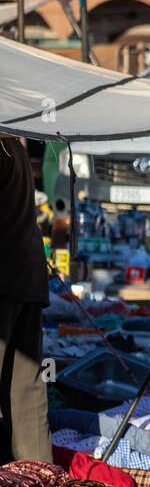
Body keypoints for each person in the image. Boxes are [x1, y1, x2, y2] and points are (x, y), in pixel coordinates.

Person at [0, 135, 52, 464]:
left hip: (8, 278)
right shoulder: (12, 142)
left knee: (26, 391)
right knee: (27, 394)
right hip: (25, 276)